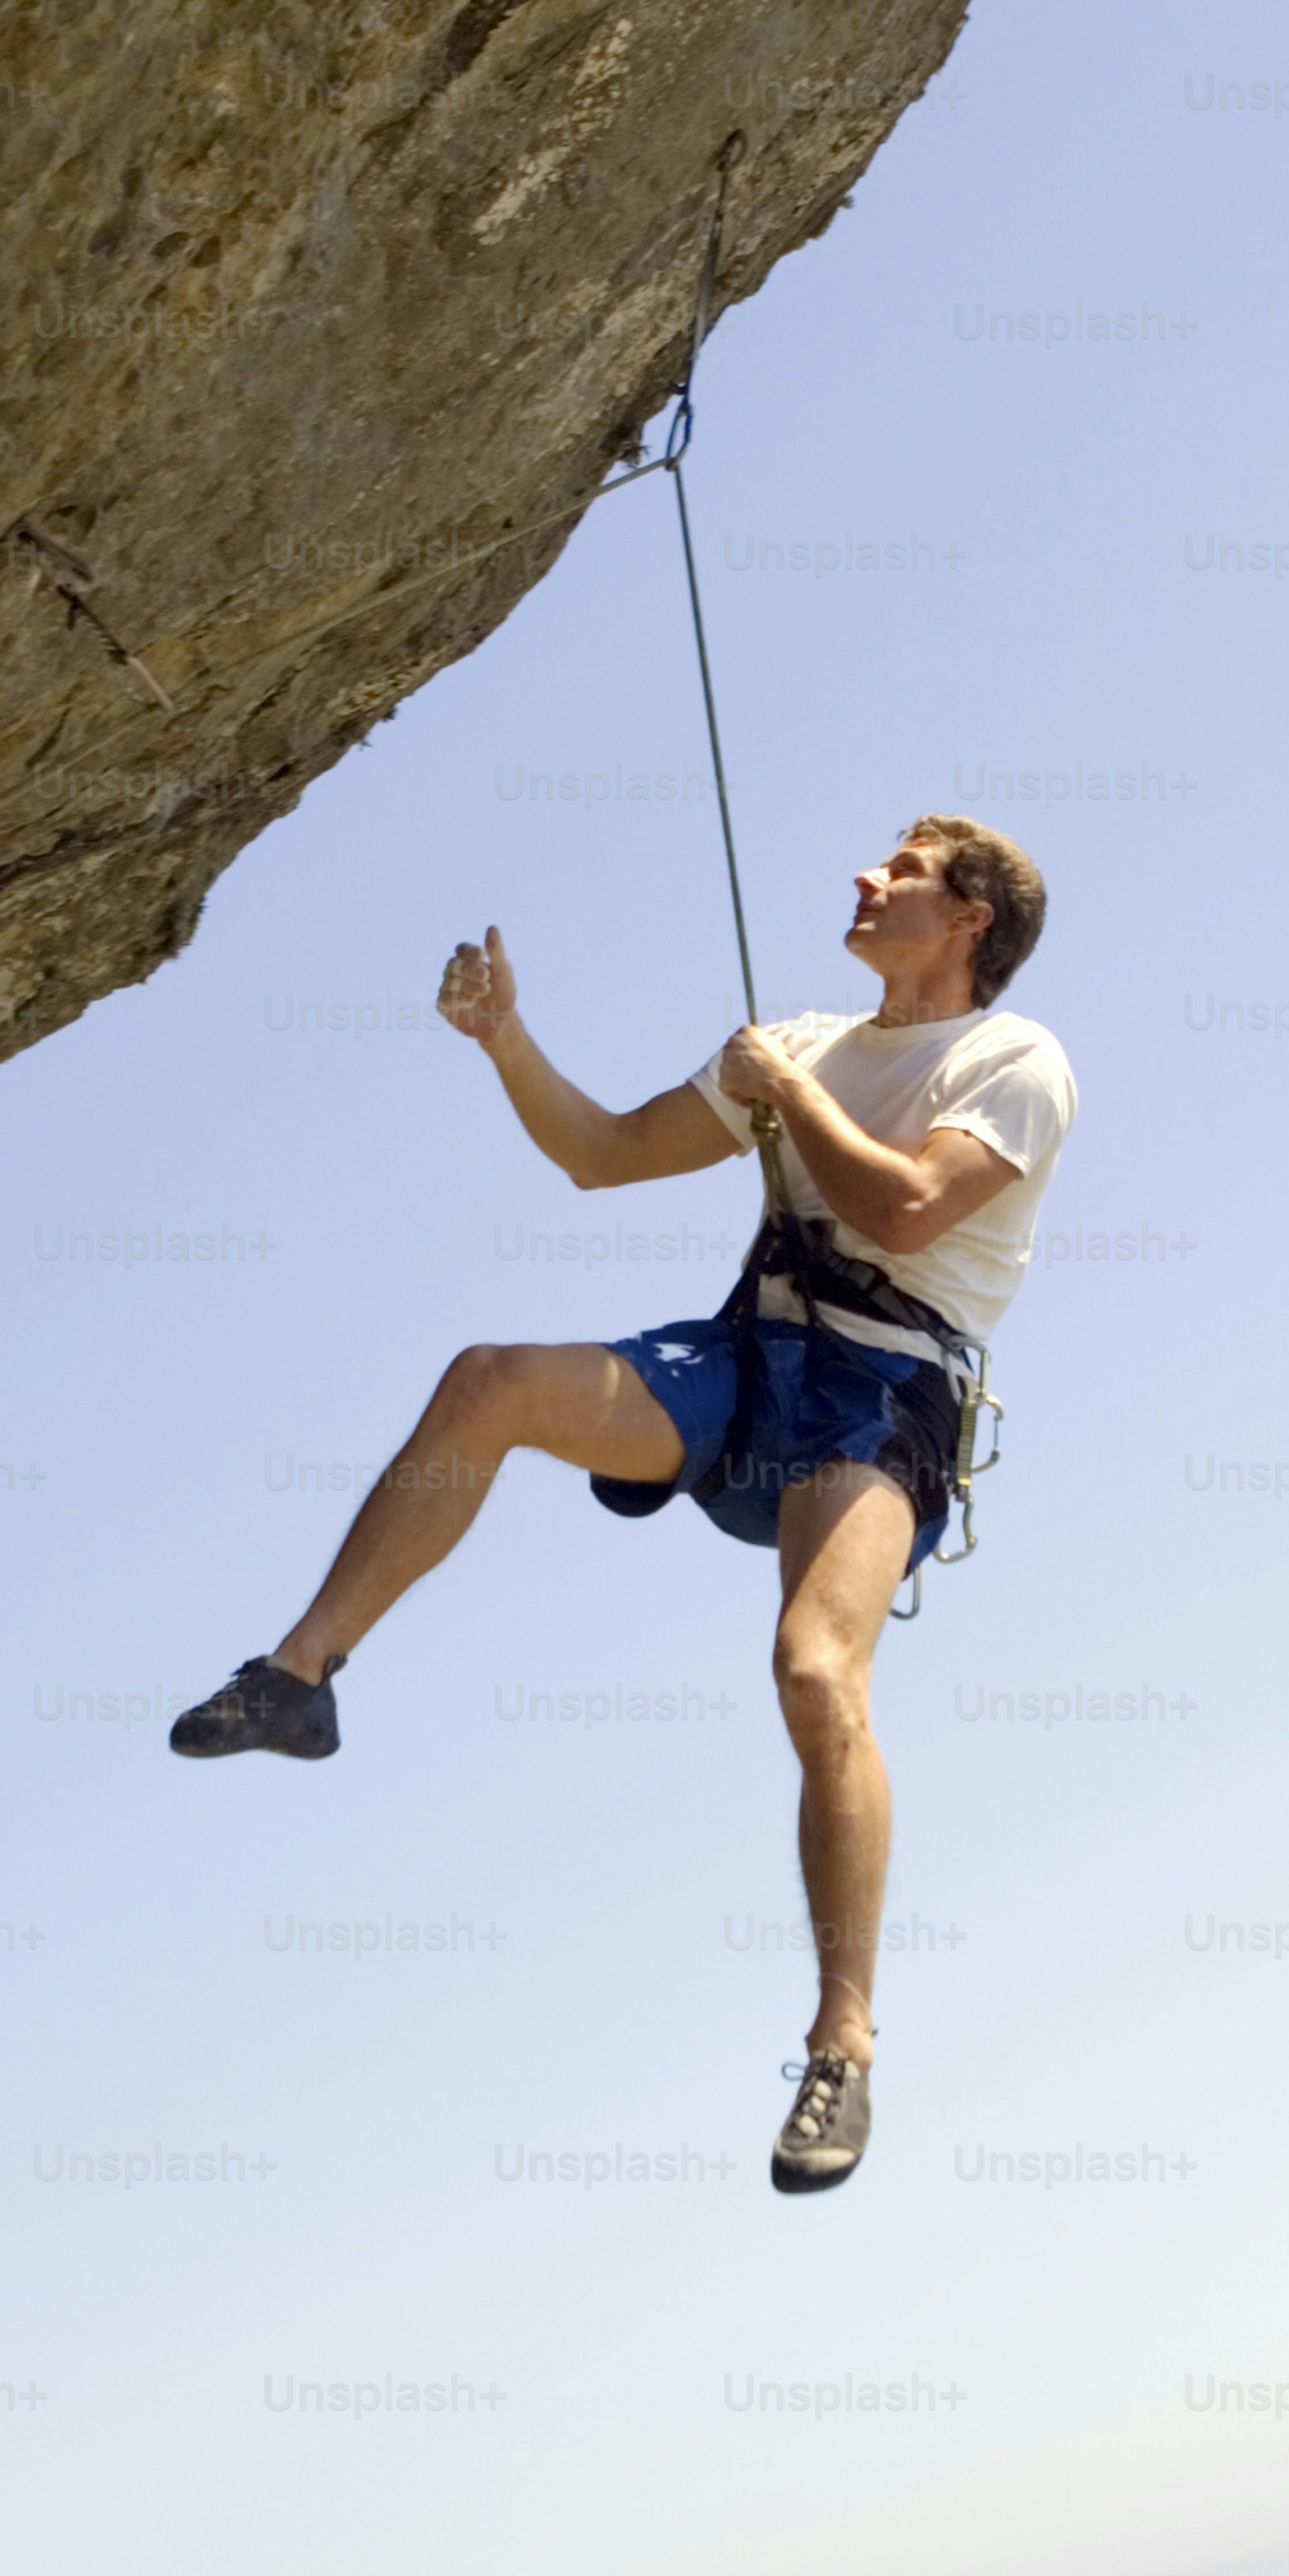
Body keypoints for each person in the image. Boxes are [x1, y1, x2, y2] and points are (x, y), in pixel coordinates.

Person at [171, 816, 1074, 2196]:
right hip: (751, 1354)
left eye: (901, 872)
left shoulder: (1013, 1062)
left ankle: (842, 2040)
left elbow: (903, 1215)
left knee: (816, 1673)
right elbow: (598, 1155)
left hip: (879, 1392)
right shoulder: (798, 1045)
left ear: (969, 922)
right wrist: (506, 1045)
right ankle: (299, 1679)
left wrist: (788, 1091)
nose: (862, 878)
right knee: (488, 1382)